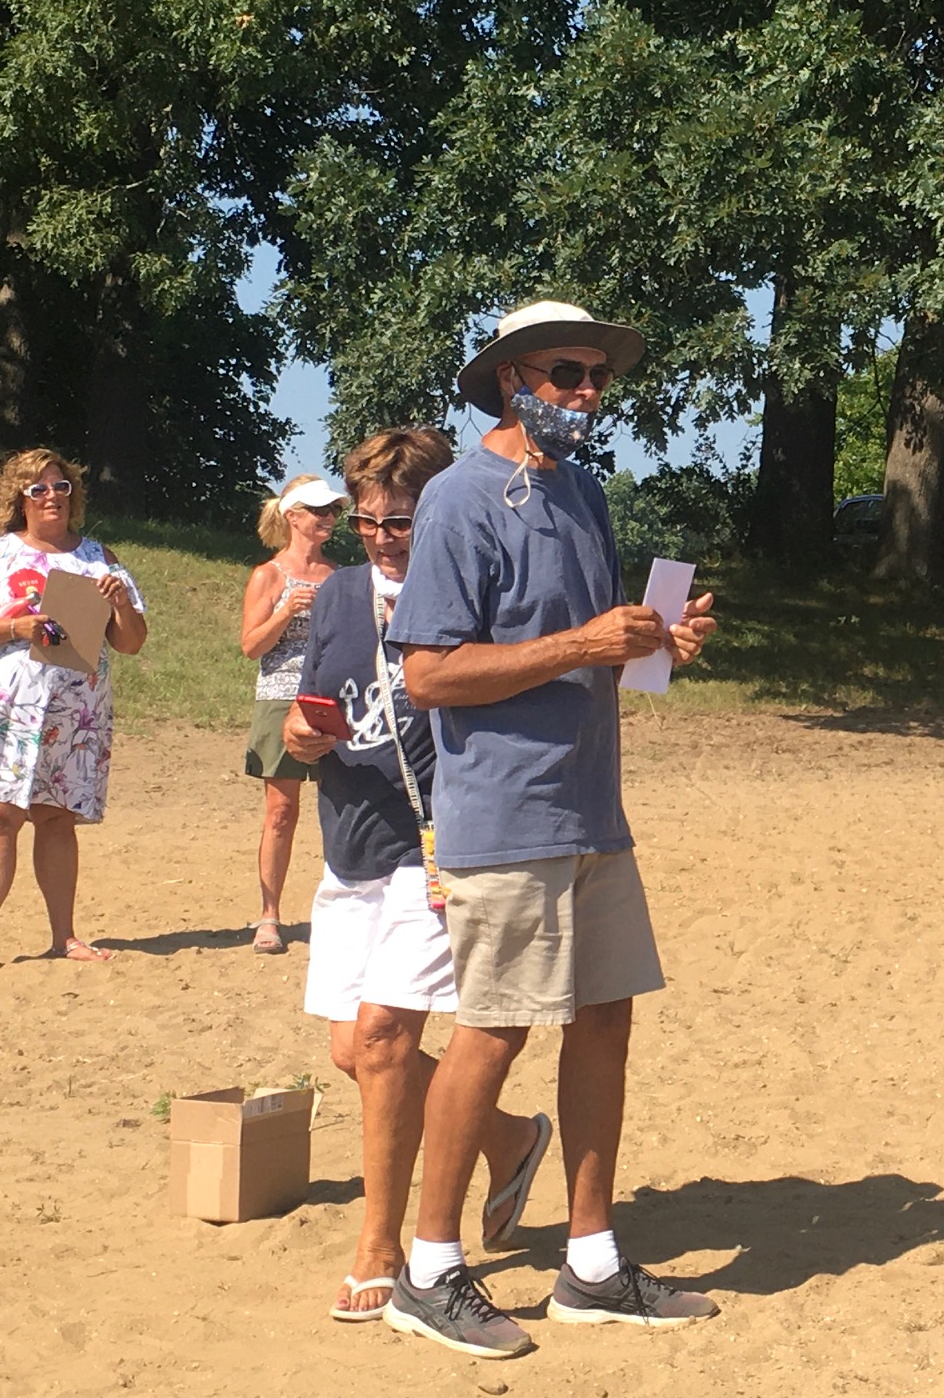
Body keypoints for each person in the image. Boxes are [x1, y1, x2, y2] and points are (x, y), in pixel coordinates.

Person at [382, 300, 718, 1359]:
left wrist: (653, 644)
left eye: (596, 376)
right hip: (505, 814)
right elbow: (429, 671)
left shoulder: (584, 491)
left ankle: (592, 1262)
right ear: (511, 379)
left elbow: (582, 647)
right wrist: (585, 639)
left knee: (606, 1019)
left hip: (591, 805)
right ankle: (427, 1269)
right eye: (566, 372)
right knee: (494, 1027)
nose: (586, 391)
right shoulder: (455, 501)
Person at [279, 427, 550, 1324]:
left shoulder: (471, 589)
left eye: (399, 522)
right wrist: (301, 736)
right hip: (349, 838)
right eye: (366, 522)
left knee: (389, 1039)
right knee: (353, 1050)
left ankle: (382, 1247)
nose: (382, 537)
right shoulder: (341, 595)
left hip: (436, 844)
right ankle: (509, 1136)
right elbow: (315, 703)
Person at [0, 448, 148, 974]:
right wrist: (17, 626)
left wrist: (120, 600)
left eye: (61, 487)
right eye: (39, 489)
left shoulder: (101, 557)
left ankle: (65, 936)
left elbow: (131, 642)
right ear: (20, 500)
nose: (52, 496)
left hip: (74, 713)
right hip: (7, 710)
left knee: (56, 819)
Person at [239, 472, 346, 954]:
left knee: (341, 806)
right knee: (281, 810)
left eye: (334, 511)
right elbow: (249, 646)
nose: (328, 518)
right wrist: (285, 611)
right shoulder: (269, 575)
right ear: (292, 516)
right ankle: (269, 916)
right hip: (279, 696)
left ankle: (341, 906)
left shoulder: (341, 576)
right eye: (319, 510)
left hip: (331, 697)